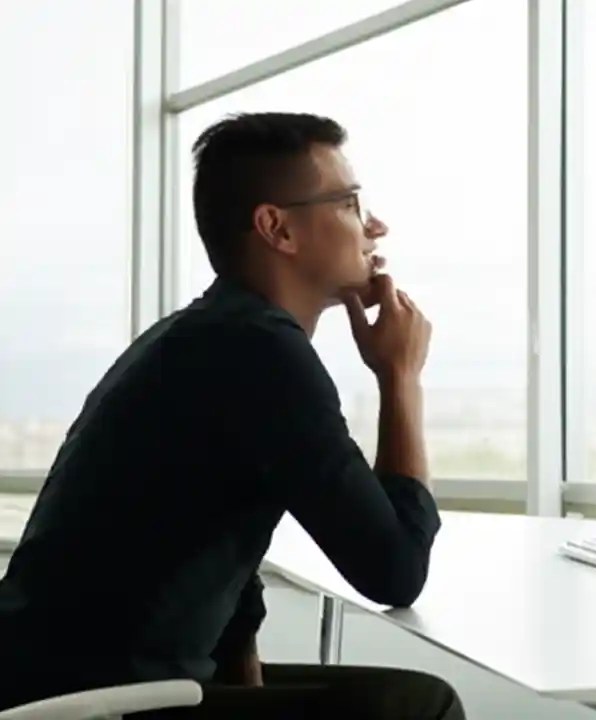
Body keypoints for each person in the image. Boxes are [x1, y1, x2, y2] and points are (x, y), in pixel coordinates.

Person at [0, 112, 464, 719]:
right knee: (417, 706)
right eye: (350, 203)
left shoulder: (206, 335)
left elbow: (221, 531)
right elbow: (395, 572)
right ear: (278, 228)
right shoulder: (260, 352)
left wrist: (246, 681)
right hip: (94, 700)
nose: (375, 225)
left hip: (59, 679)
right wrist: (399, 378)